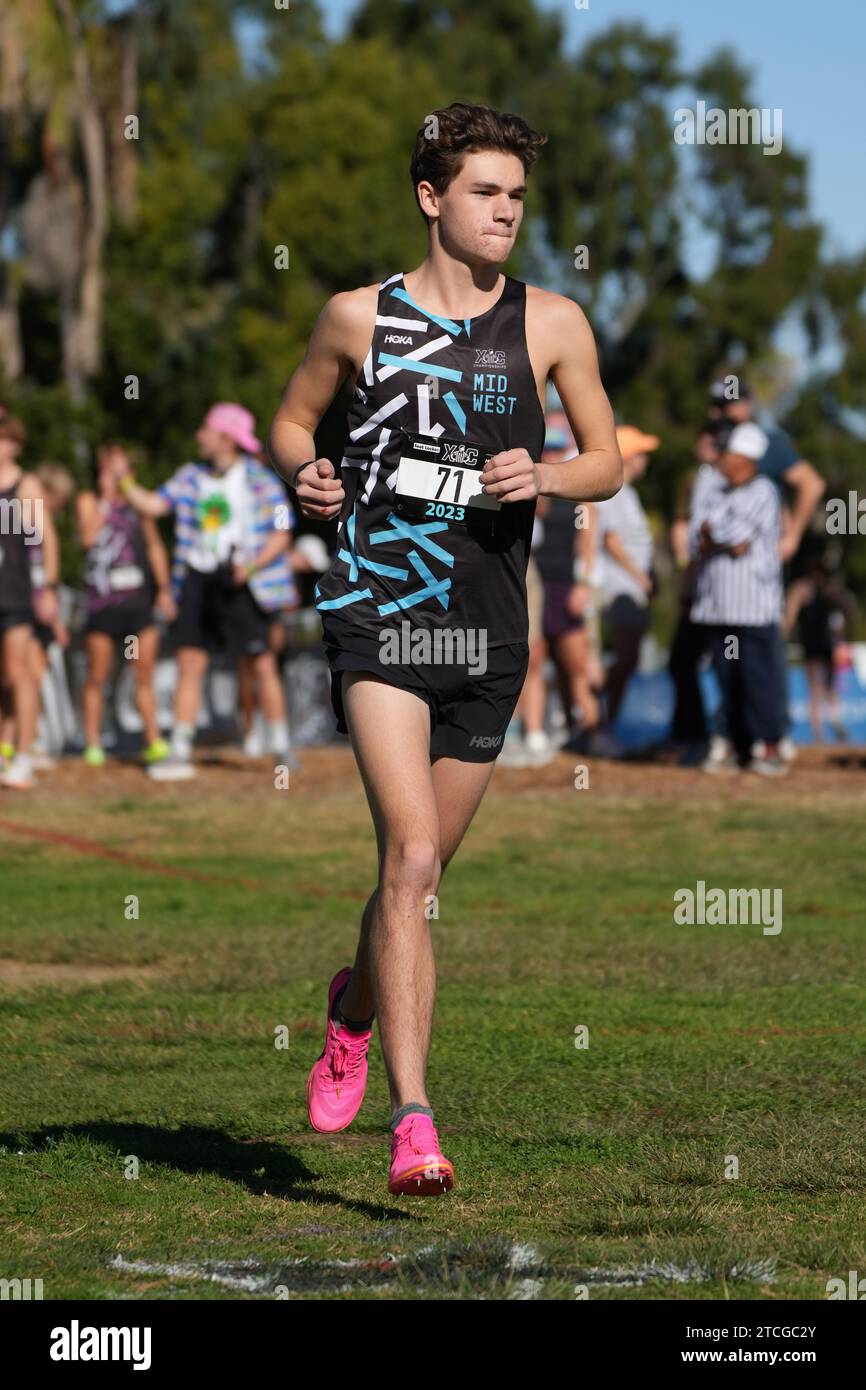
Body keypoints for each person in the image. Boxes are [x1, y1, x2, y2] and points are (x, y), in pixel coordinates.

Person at [268, 101, 622, 1196]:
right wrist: (308, 473)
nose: (505, 211)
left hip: (489, 631)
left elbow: (607, 456)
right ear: (431, 198)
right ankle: (412, 1120)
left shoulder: (553, 322)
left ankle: (352, 1010)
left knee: (415, 886)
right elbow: (291, 421)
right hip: (379, 609)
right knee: (408, 856)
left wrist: (551, 476)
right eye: (483, 191)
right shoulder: (354, 318)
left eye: (515, 194)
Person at [108, 403, 297, 780]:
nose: (199, 436)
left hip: (243, 580)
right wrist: (125, 481)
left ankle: (281, 745)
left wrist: (254, 566)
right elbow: (155, 505)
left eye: (206, 430)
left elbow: (282, 530)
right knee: (189, 663)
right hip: (197, 578)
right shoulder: (191, 476)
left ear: (226, 438)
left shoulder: (261, 480)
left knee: (261, 664)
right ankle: (180, 747)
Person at [710, 378, 826, 760]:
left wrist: (790, 535)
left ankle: (774, 735)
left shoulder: (767, 445)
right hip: (721, 586)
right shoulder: (716, 441)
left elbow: (810, 484)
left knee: (763, 658)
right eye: (722, 404)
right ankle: (735, 735)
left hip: (757, 576)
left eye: (734, 402)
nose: (728, 410)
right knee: (729, 663)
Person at [689, 422, 787, 776]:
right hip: (717, 607)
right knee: (727, 680)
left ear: (745, 458)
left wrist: (710, 534)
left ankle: (769, 747)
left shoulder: (763, 491)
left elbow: (734, 536)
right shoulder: (716, 489)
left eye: (728, 453)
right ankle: (739, 747)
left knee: (758, 679)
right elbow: (695, 535)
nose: (721, 459)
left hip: (753, 609)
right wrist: (710, 535)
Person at [75, 444, 174, 767]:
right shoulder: (88, 501)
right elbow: (87, 539)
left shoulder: (138, 506)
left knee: (143, 673)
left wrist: (164, 589)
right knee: (98, 675)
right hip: (102, 603)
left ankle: (153, 739)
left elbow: (155, 547)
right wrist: (105, 499)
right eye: (109, 470)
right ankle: (92, 742)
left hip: (138, 603)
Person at [0, 410, 60, 790]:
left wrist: (49, 587)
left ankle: (23, 755)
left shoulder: (24, 485)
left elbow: (45, 538)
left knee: (17, 674)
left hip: (15, 594)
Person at [593, 424, 658, 751]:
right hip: (623, 587)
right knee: (626, 657)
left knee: (628, 659)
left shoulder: (629, 493)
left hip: (632, 587)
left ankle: (604, 720)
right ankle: (594, 715)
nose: (646, 460)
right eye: (642, 453)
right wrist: (640, 577)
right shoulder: (616, 491)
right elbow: (611, 538)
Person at [785, 560, 855, 742]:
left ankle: (828, 728)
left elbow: (790, 615)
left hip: (821, 645)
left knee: (823, 690)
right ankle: (821, 733)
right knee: (819, 691)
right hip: (818, 645)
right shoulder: (812, 589)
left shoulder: (808, 589)